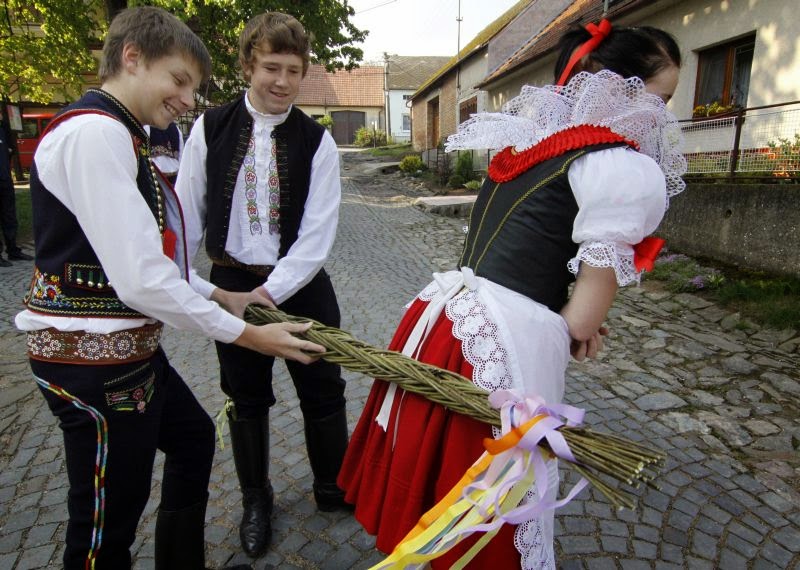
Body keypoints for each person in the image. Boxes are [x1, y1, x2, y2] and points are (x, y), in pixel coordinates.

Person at [337, 19, 685, 569]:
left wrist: (573, 316)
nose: (663, 115)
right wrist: (582, 324)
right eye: (660, 98)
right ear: (617, 89)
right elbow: (580, 320)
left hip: (449, 321)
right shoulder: (618, 166)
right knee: (490, 498)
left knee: (443, 482)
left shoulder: (532, 149)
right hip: (502, 350)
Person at [14, 7, 325, 570]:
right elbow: (139, 280)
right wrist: (248, 336)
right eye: (178, 80)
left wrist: (219, 296)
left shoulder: (121, 135)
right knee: (107, 520)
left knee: (193, 439)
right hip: (93, 362)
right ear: (132, 57)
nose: (186, 99)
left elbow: (152, 261)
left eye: (193, 87)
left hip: (131, 354)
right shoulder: (96, 134)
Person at [175, 11, 349, 559]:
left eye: (293, 70)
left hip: (301, 283)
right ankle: (257, 500)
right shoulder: (209, 128)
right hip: (230, 284)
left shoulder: (318, 141)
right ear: (248, 65)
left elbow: (319, 233)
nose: (282, 81)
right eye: (271, 66)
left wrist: (272, 292)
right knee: (245, 399)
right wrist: (201, 288)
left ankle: (331, 486)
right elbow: (183, 214)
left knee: (324, 389)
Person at [0, 117, 33, 266]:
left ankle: (13, 250)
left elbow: (9, 152)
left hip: (5, 179)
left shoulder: (2, 130)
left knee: (9, 217)